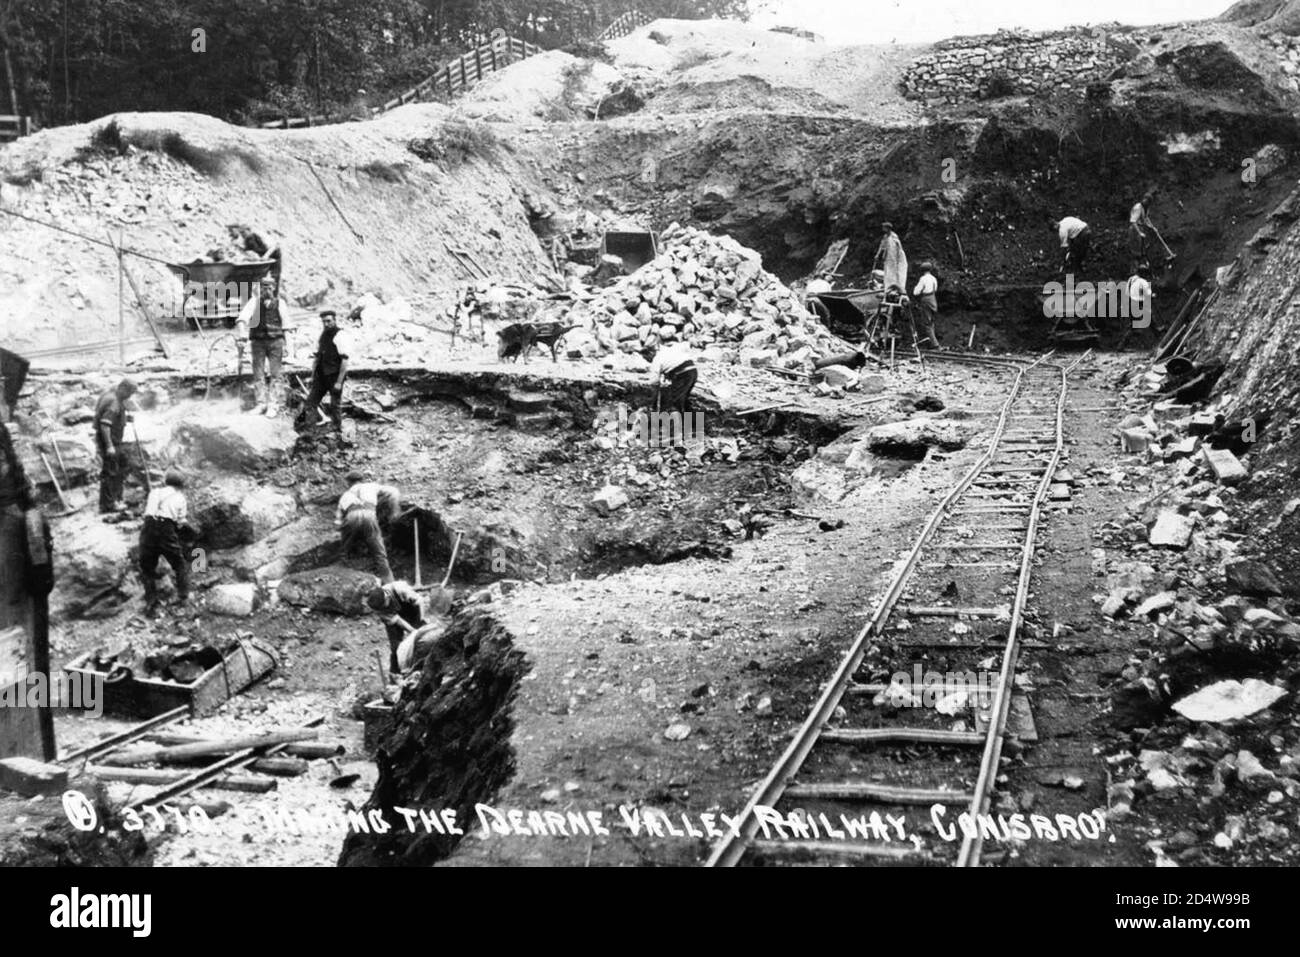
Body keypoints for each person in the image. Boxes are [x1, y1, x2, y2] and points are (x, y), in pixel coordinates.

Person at [236, 275, 290, 416]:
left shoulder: (280, 303)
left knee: (276, 374)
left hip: (276, 342)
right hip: (258, 342)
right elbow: (242, 319)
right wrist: (242, 334)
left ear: (274, 288)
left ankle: (273, 405)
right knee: (258, 374)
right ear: (260, 288)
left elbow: (287, 325)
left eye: (270, 286)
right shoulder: (254, 302)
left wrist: (290, 347)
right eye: (264, 286)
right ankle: (261, 404)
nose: (267, 289)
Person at [140, 469, 191, 617]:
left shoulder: (154, 492)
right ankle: (183, 598)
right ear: (180, 486)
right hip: (165, 529)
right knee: (179, 564)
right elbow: (181, 522)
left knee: (147, 568)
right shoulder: (180, 498)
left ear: (166, 482)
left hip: (148, 528)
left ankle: (152, 603)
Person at [336, 473, 400, 583]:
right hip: (369, 514)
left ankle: (343, 578)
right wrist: (394, 512)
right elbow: (394, 492)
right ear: (361, 480)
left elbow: (338, 520)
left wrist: (343, 534)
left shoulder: (345, 495)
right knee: (379, 553)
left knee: (344, 551)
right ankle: (390, 584)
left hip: (351, 516)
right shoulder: (371, 486)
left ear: (349, 483)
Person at [296, 310, 351, 434]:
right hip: (321, 377)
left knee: (334, 404)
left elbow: (345, 361)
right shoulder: (323, 335)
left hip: (334, 376)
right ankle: (309, 430)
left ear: (335, 320)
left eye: (329, 321)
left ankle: (337, 428)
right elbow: (317, 357)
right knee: (311, 402)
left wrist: (339, 382)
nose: (326, 324)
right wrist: (313, 375)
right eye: (324, 322)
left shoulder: (340, 335)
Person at [93, 379, 137, 514]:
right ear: (122, 388)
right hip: (110, 442)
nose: (130, 396)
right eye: (129, 392)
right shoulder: (113, 401)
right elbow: (105, 424)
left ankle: (116, 498)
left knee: (120, 467)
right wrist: (109, 446)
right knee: (110, 472)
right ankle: (108, 505)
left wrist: (125, 419)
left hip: (112, 441)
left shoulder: (110, 395)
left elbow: (109, 417)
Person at [367, 580, 426, 674]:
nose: (382, 609)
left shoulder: (399, 588)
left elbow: (420, 601)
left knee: (421, 640)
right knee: (395, 647)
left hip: (412, 609)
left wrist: (422, 620)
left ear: (386, 597)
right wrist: (413, 632)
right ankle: (395, 674)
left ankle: (420, 667)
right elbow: (398, 621)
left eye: (383, 606)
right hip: (395, 617)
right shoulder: (378, 607)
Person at [647, 341, 697, 444]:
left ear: (651, 353)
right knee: (683, 400)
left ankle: (672, 435)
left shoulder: (657, 359)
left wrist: (654, 397)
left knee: (672, 404)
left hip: (682, 373)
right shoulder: (670, 350)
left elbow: (653, 381)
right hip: (693, 370)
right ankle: (690, 429)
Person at [872, 222, 909, 294]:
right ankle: (888, 287)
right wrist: (878, 254)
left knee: (893, 272)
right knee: (888, 272)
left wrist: (896, 258)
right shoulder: (885, 236)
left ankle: (894, 287)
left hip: (894, 257)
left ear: (888, 228)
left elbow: (898, 248)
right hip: (888, 257)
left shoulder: (894, 236)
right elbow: (882, 245)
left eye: (884, 228)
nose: (883, 229)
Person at [912, 261, 941, 348]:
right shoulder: (933, 278)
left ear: (922, 270)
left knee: (927, 323)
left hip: (926, 300)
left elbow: (916, 292)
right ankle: (933, 342)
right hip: (933, 299)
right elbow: (935, 289)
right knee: (931, 322)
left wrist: (915, 289)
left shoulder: (923, 279)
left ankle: (935, 344)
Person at [1129, 192, 1155, 264]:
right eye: (1145, 199)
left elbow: (1145, 219)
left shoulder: (1146, 208)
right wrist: (1139, 233)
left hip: (1141, 228)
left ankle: (1143, 262)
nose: (1145, 201)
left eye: (1147, 201)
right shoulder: (1138, 208)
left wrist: (1152, 227)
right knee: (1136, 248)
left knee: (1142, 246)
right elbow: (1133, 222)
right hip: (1134, 229)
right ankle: (1136, 266)